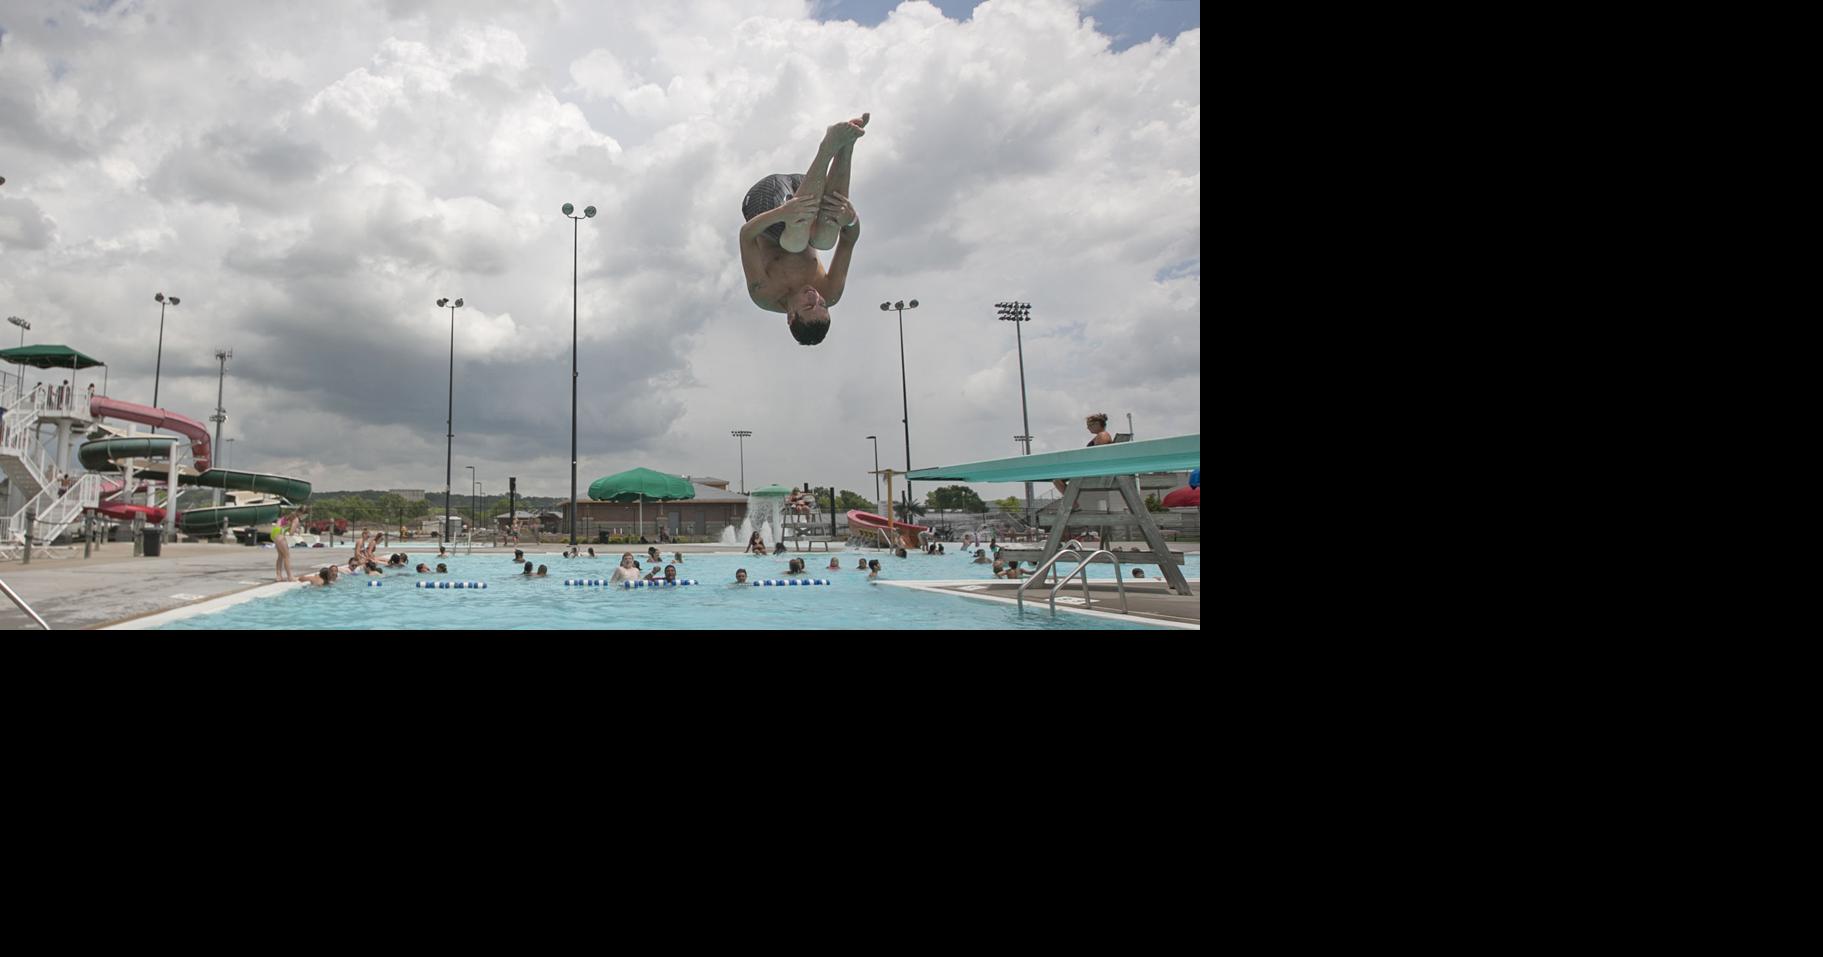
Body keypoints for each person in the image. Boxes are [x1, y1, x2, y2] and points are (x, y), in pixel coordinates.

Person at [739, 114, 869, 346]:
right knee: (826, 239)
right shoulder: (831, 291)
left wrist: (781, 213)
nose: (816, 296)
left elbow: (746, 235)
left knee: (796, 243)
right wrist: (850, 218)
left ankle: (826, 147)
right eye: (822, 304)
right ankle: (846, 146)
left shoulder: (764, 293)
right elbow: (849, 239)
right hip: (807, 188)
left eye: (809, 306)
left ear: (790, 317)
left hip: (766, 200)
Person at [1054, 412, 1115, 492]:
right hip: (1092, 469)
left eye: (1089, 425)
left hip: (1093, 471)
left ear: (1097, 424)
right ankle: (1072, 502)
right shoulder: (1102, 435)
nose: (1087, 428)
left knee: (1057, 479)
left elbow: (1098, 455)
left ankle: (1073, 503)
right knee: (1058, 478)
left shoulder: (1102, 435)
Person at [272, 512, 295, 582]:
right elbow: (291, 533)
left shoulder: (283, 518)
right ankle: (290, 577)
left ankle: (278, 576)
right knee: (286, 556)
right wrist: (294, 529)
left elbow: (279, 526)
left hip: (274, 534)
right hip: (280, 535)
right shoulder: (295, 520)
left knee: (280, 556)